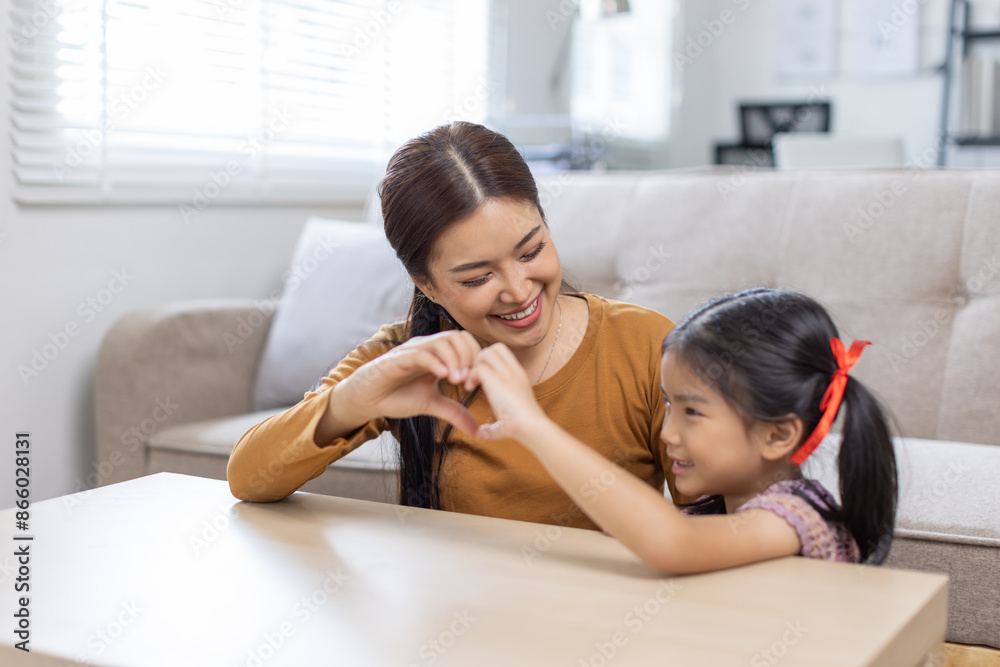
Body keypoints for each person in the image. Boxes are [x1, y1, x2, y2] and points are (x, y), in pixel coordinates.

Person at [227, 121, 689, 527]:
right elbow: (249, 477)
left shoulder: (645, 344)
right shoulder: (410, 356)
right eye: (478, 277)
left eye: (531, 251)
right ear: (426, 284)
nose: (518, 289)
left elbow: (710, 522)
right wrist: (350, 401)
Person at [465, 288, 898, 572]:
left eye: (692, 412)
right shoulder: (713, 513)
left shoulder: (797, 517)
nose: (668, 432)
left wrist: (534, 427)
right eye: (669, 403)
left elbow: (672, 544)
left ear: (778, 435)